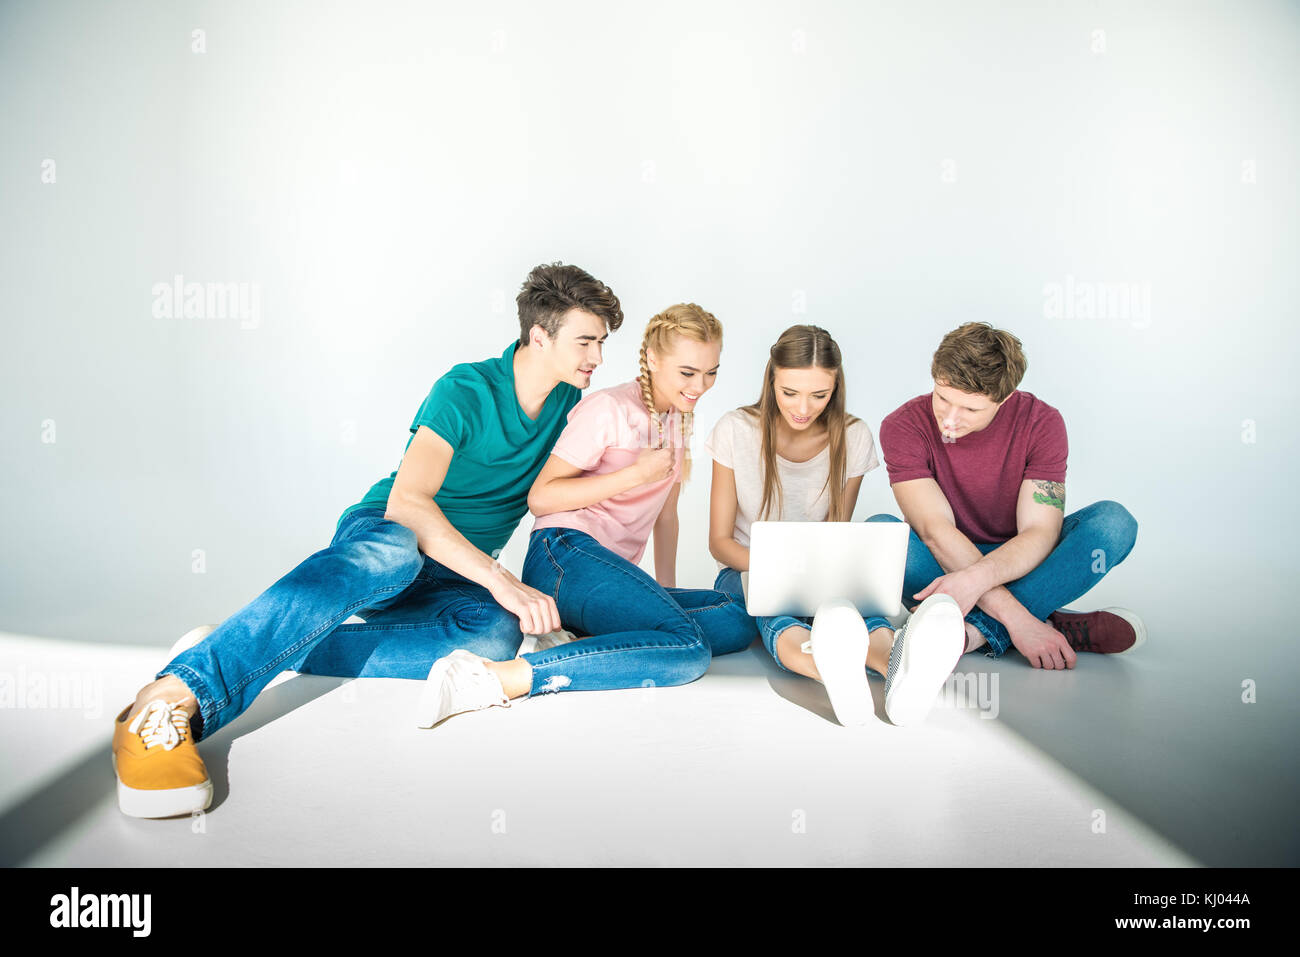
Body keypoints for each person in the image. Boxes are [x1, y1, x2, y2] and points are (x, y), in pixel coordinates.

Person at [111, 262, 624, 817]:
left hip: (453, 571)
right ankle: (172, 695)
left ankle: (248, 641)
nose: (596, 357)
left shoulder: (573, 409)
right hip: (385, 533)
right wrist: (503, 579)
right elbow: (409, 503)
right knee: (395, 551)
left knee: (495, 636)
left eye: (601, 342)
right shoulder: (466, 388)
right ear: (539, 337)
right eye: (586, 341)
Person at [416, 303, 756, 726]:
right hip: (565, 556)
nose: (700, 386)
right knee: (688, 648)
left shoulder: (677, 423)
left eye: (711, 372)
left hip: (608, 575)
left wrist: (660, 597)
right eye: (688, 373)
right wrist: (634, 474)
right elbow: (541, 498)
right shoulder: (608, 408)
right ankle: (502, 678)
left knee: (735, 618)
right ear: (652, 358)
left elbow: (666, 518)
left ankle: (568, 641)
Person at [706, 324, 964, 727]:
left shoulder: (853, 435)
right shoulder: (735, 429)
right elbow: (720, 542)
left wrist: (816, 577)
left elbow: (836, 534)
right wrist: (778, 571)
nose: (803, 408)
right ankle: (831, 668)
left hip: (822, 571)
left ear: (836, 386)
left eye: (819, 395)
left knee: (851, 608)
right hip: (746, 569)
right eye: (789, 392)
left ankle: (897, 665)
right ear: (771, 378)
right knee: (776, 612)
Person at [870, 321, 1142, 671]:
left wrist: (976, 580)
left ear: (1007, 397)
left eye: (970, 409)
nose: (950, 420)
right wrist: (1019, 618)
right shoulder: (903, 425)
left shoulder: (1042, 423)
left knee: (1114, 523)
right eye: (943, 399)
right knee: (881, 534)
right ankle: (1040, 619)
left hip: (1021, 562)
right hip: (944, 561)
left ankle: (972, 634)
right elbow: (934, 531)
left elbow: (1040, 532)